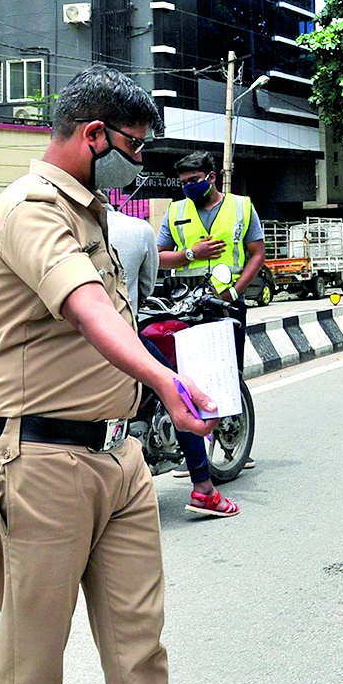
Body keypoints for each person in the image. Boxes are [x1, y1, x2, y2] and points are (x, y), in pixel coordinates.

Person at [0, 66, 229, 684]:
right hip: (37, 461)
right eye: (132, 146)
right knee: (33, 657)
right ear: (91, 134)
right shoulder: (29, 208)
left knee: (138, 647)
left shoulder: (97, 213)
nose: (137, 161)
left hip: (116, 462)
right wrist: (165, 380)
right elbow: (89, 310)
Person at [107, 205, 239, 517]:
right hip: (124, 337)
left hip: (66, 346)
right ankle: (204, 489)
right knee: (179, 390)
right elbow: (148, 284)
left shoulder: (50, 224)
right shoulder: (136, 230)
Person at [157, 151, 263, 474]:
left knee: (228, 373)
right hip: (185, 305)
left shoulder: (241, 207)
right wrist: (191, 253)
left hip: (226, 302)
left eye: (195, 181)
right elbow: (159, 256)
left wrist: (235, 290)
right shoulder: (175, 211)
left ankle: (234, 443)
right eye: (184, 182)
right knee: (186, 377)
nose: (188, 187)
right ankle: (194, 451)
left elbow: (256, 254)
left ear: (212, 177)